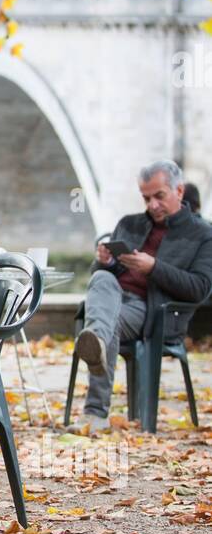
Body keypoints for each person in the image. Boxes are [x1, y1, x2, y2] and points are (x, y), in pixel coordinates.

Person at [74, 159, 212, 432]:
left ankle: (95, 413)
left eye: (159, 196)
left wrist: (154, 268)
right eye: (146, 198)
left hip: (154, 311)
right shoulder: (129, 223)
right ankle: (98, 340)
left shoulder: (203, 235)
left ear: (179, 191)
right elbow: (97, 276)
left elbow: (201, 288)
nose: (152, 205)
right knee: (102, 279)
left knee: (103, 321)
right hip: (113, 299)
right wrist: (105, 261)